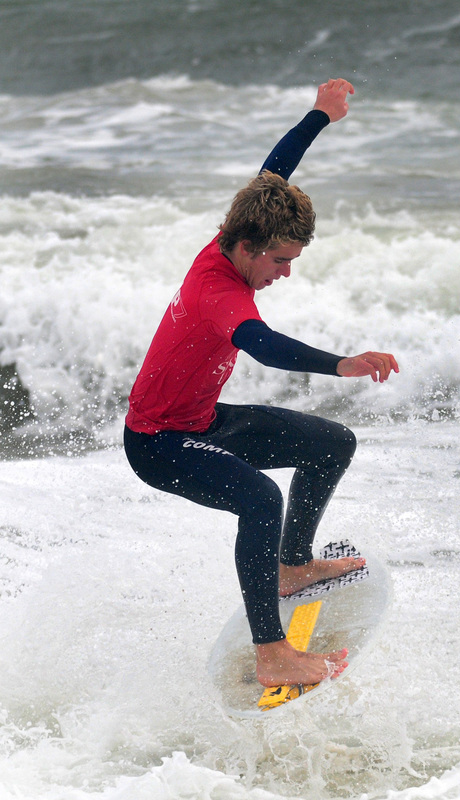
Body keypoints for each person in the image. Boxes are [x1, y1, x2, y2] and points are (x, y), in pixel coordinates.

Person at [124, 79, 399, 688]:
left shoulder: (236, 234)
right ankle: (271, 653)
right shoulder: (217, 291)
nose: (285, 272)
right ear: (247, 247)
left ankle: (291, 567)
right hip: (158, 443)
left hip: (201, 422)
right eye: (279, 260)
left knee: (333, 444)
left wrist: (320, 116)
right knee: (260, 500)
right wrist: (341, 363)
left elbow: (272, 174)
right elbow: (265, 347)